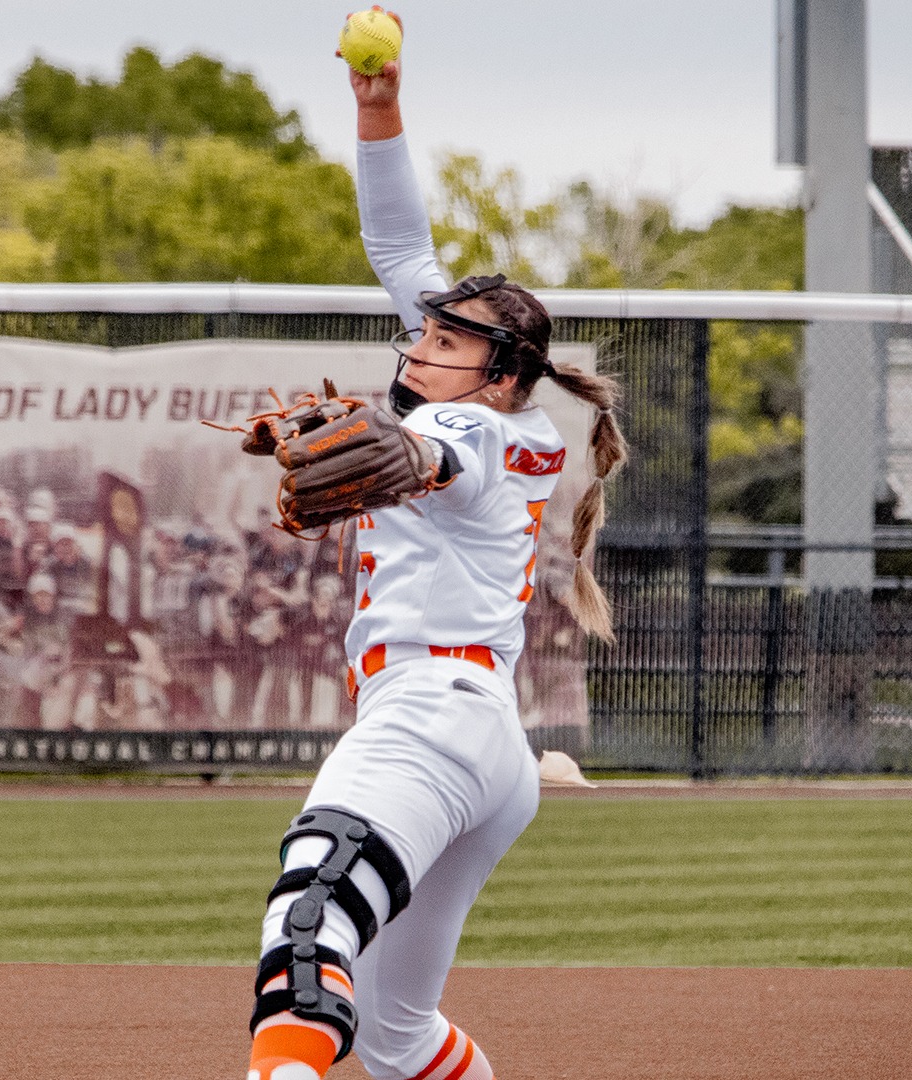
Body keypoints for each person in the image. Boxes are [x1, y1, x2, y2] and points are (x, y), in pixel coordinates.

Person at [238, 37, 626, 1080]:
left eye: (448, 340)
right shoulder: (478, 396)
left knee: (310, 926)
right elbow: (398, 238)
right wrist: (379, 110)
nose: (423, 340)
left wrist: (373, 444)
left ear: (502, 377)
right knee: (399, 1034)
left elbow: (426, 456)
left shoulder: (487, 432)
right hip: (485, 737)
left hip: (432, 714)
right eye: (429, 327)